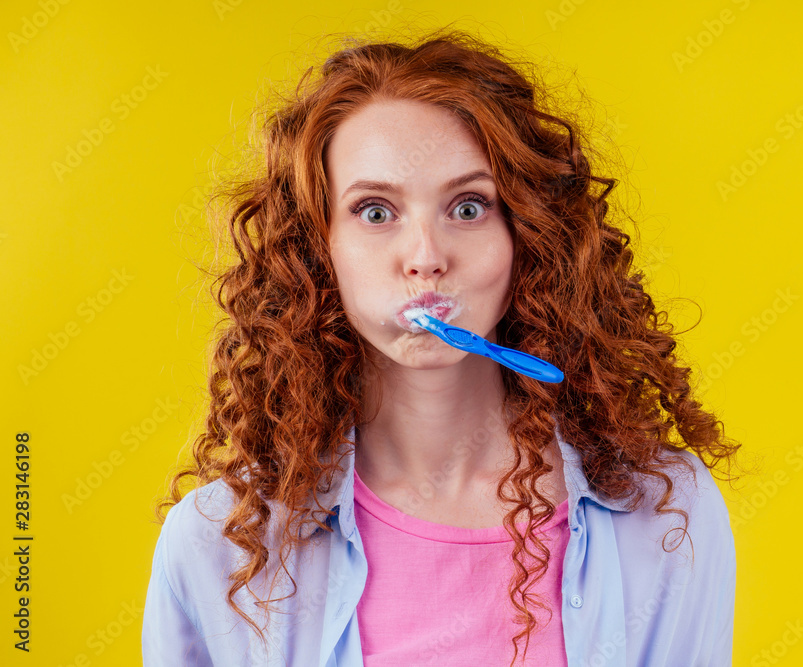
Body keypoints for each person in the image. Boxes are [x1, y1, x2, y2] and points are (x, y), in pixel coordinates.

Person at [142, 26, 745, 667]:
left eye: (467, 208)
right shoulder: (221, 548)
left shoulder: (666, 517)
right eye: (376, 212)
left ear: (527, 236)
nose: (427, 258)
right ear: (318, 252)